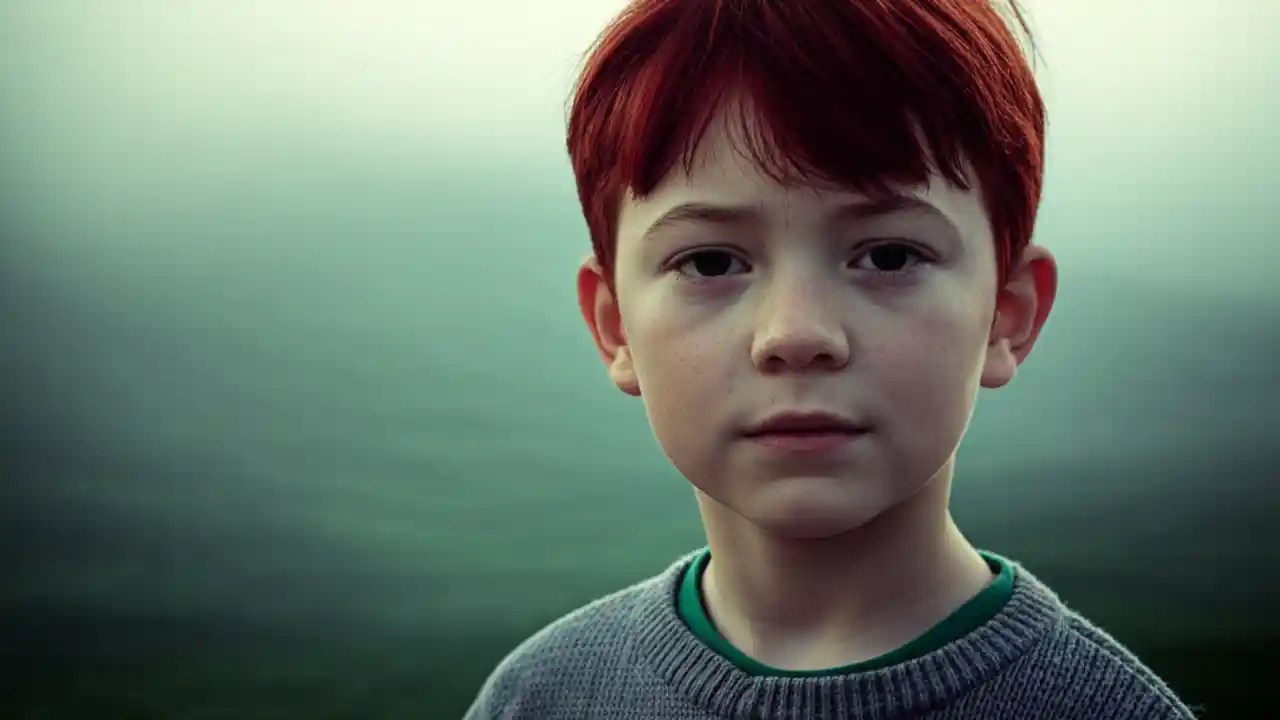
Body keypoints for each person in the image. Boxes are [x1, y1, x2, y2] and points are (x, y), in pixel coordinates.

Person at [465, 0, 1199, 717]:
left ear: (1007, 314)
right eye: (713, 262)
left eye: (886, 254)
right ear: (615, 326)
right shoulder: (541, 696)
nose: (794, 333)